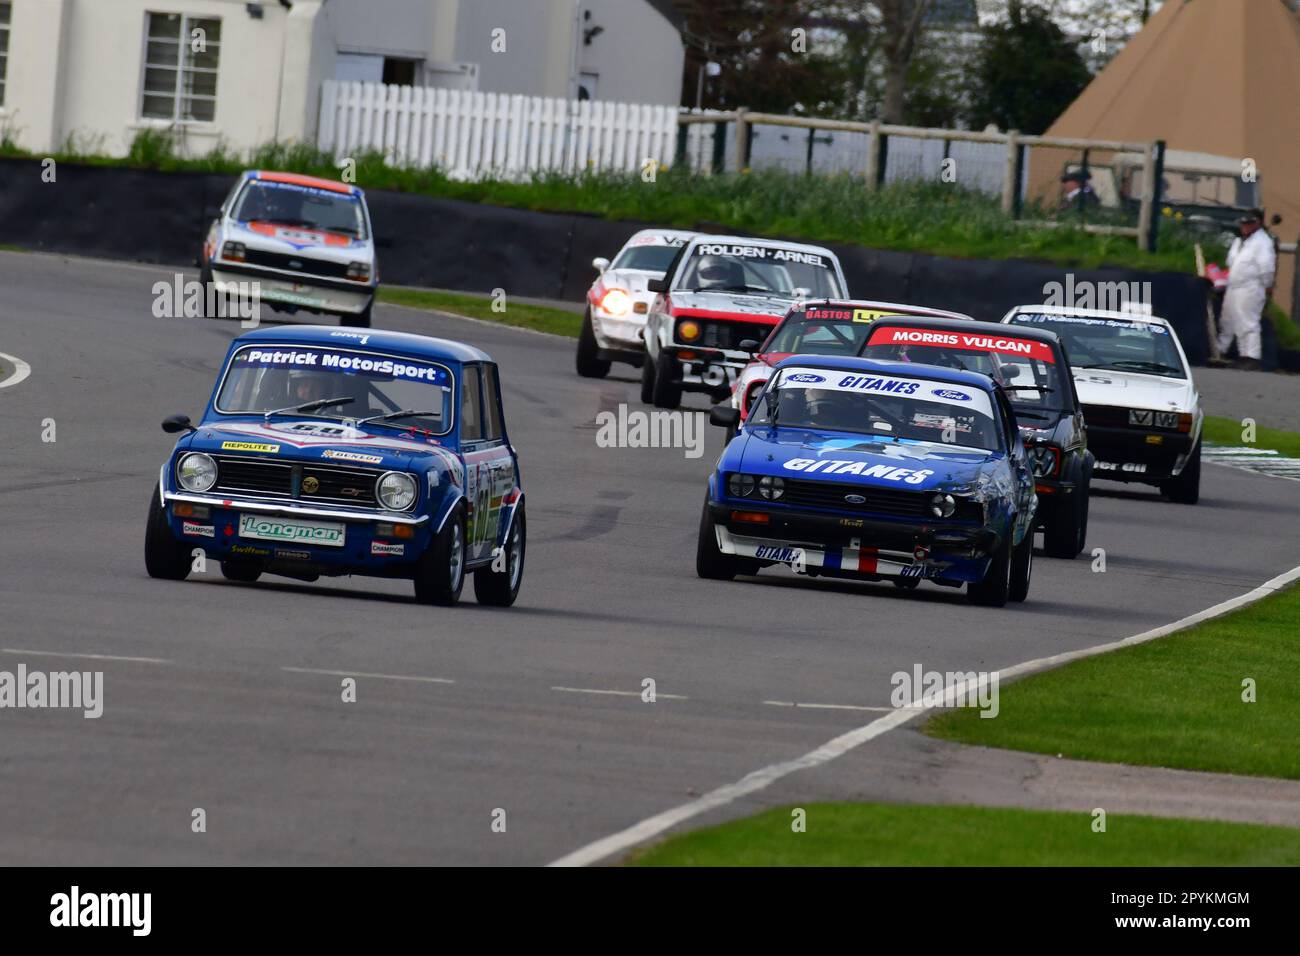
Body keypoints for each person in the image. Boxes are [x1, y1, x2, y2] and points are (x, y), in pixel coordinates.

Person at [1217, 208, 1276, 371]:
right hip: (1233, 286)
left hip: (1251, 287)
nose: (1245, 226)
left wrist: (1266, 285)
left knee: (1248, 321)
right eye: (1243, 223)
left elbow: (1267, 269)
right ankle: (1220, 351)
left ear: (1257, 223)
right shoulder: (1239, 241)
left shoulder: (1263, 242)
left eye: (1249, 223)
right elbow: (1231, 263)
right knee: (1227, 320)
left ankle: (1250, 356)